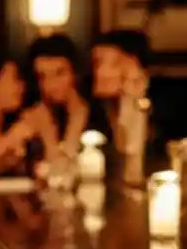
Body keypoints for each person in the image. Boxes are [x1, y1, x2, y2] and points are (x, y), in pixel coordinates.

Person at [89, 29, 154, 184]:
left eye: (114, 63)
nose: (101, 72)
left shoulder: (168, 109)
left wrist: (133, 100)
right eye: (97, 63)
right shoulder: (93, 114)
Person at [23, 34, 90, 171]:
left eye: (59, 74)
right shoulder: (32, 114)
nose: (51, 85)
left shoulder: (95, 114)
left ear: (75, 74)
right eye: (42, 77)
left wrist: (77, 118)